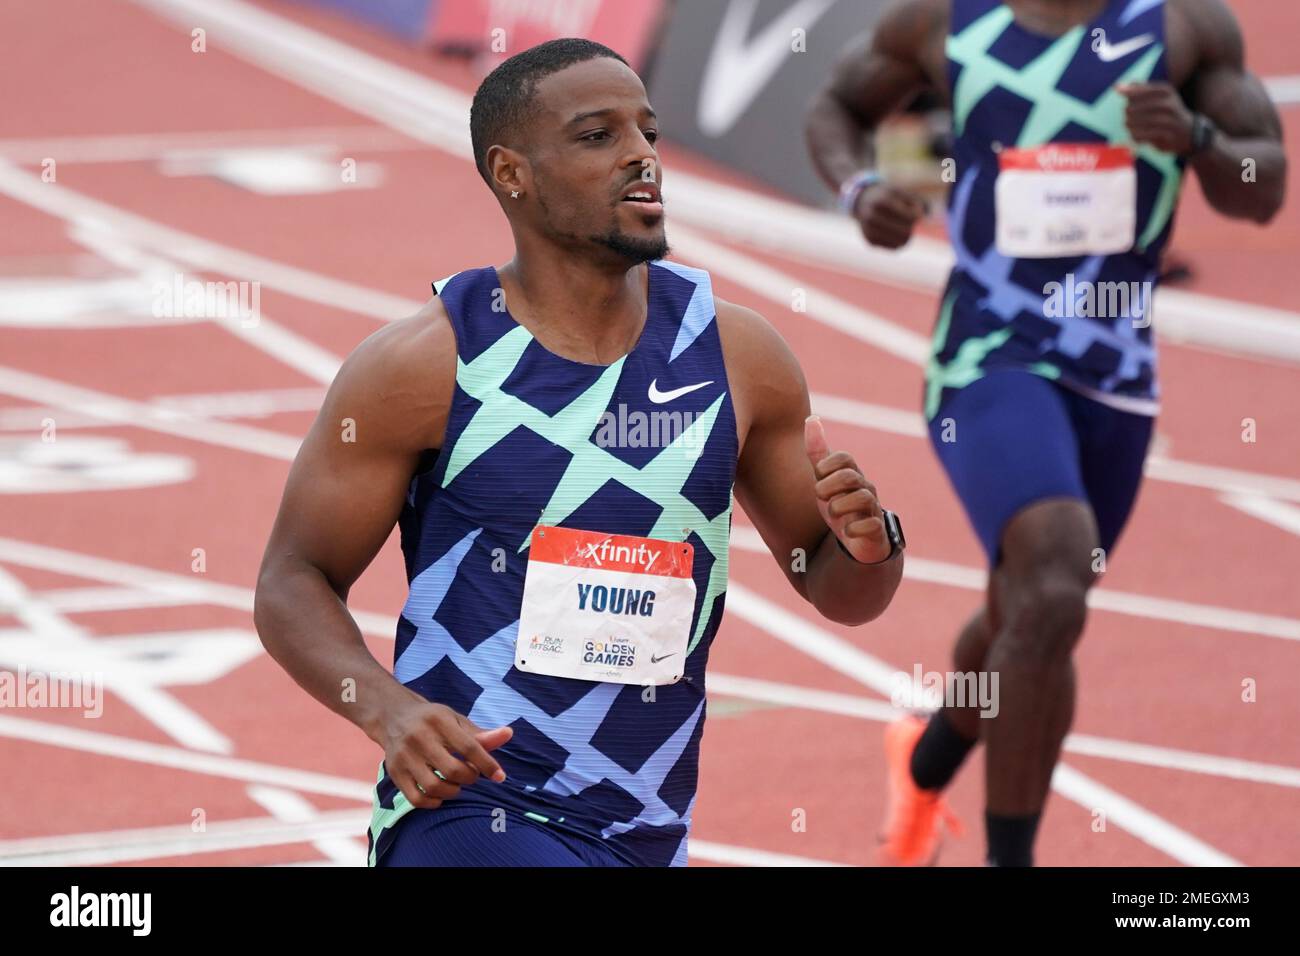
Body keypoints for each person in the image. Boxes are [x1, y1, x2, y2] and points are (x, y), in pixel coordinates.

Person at [255, 37, 906, 867]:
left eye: (648, 132)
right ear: (512, 172)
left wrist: (872, 542)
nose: (641, 157)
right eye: (598, 136)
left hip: (643, 829)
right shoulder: (428, 365)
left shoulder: (739, 357)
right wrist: (386, 711)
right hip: (472, 811)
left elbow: (844, 595)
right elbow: (291, 579)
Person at [805, 0, 1285, 866]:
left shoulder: (1184, 29)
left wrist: (1202, 141)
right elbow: (836, 107)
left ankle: (921, 759)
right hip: (987, 353)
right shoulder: (945, 23)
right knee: (1056, 577)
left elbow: (1264, 190)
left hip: (1117, 373)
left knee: (1030, 611)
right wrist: (863, 187)